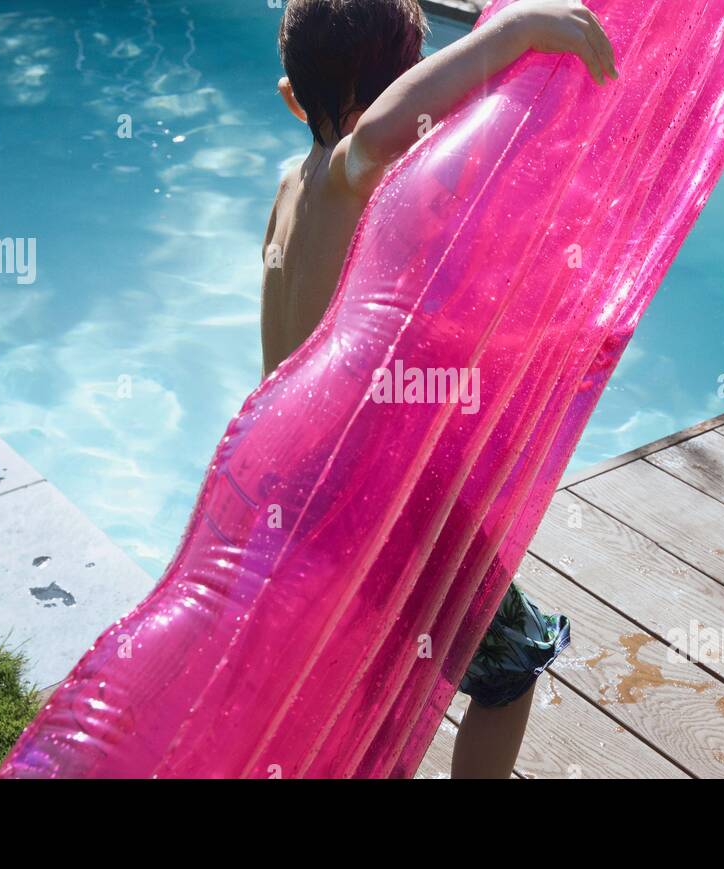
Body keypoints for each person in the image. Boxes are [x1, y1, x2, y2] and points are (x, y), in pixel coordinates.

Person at [259, 0, 615, 778]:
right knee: (509, 666)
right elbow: (383, 134)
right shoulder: (348, 175)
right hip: (376, 496)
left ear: (293, 97)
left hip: (292, 484)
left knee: (372, 683)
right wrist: (514, 35)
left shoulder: (289, 187)